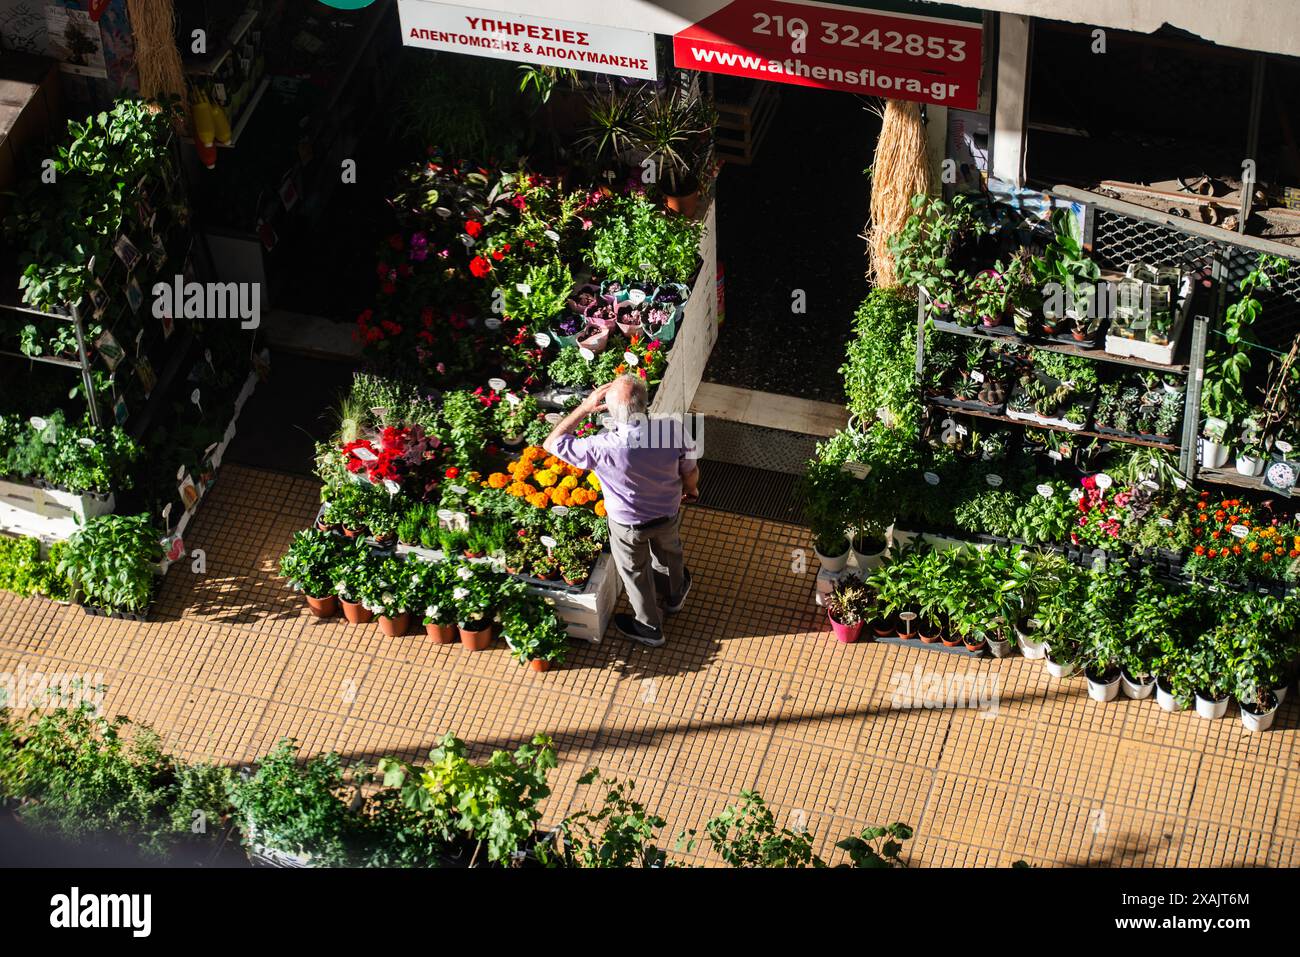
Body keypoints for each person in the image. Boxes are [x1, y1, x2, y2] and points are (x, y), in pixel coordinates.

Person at [543, 376, 699, 647]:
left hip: (627, 524)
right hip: (668, 512)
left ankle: (651, 628)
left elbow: (552, 443)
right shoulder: (673, 430)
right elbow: (690, 470)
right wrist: (692, 490)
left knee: (635, 571)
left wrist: (584, 408)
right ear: (645, 403)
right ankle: (674, 595)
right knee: (669, 552)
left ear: (609, 411)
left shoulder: (600, 446)